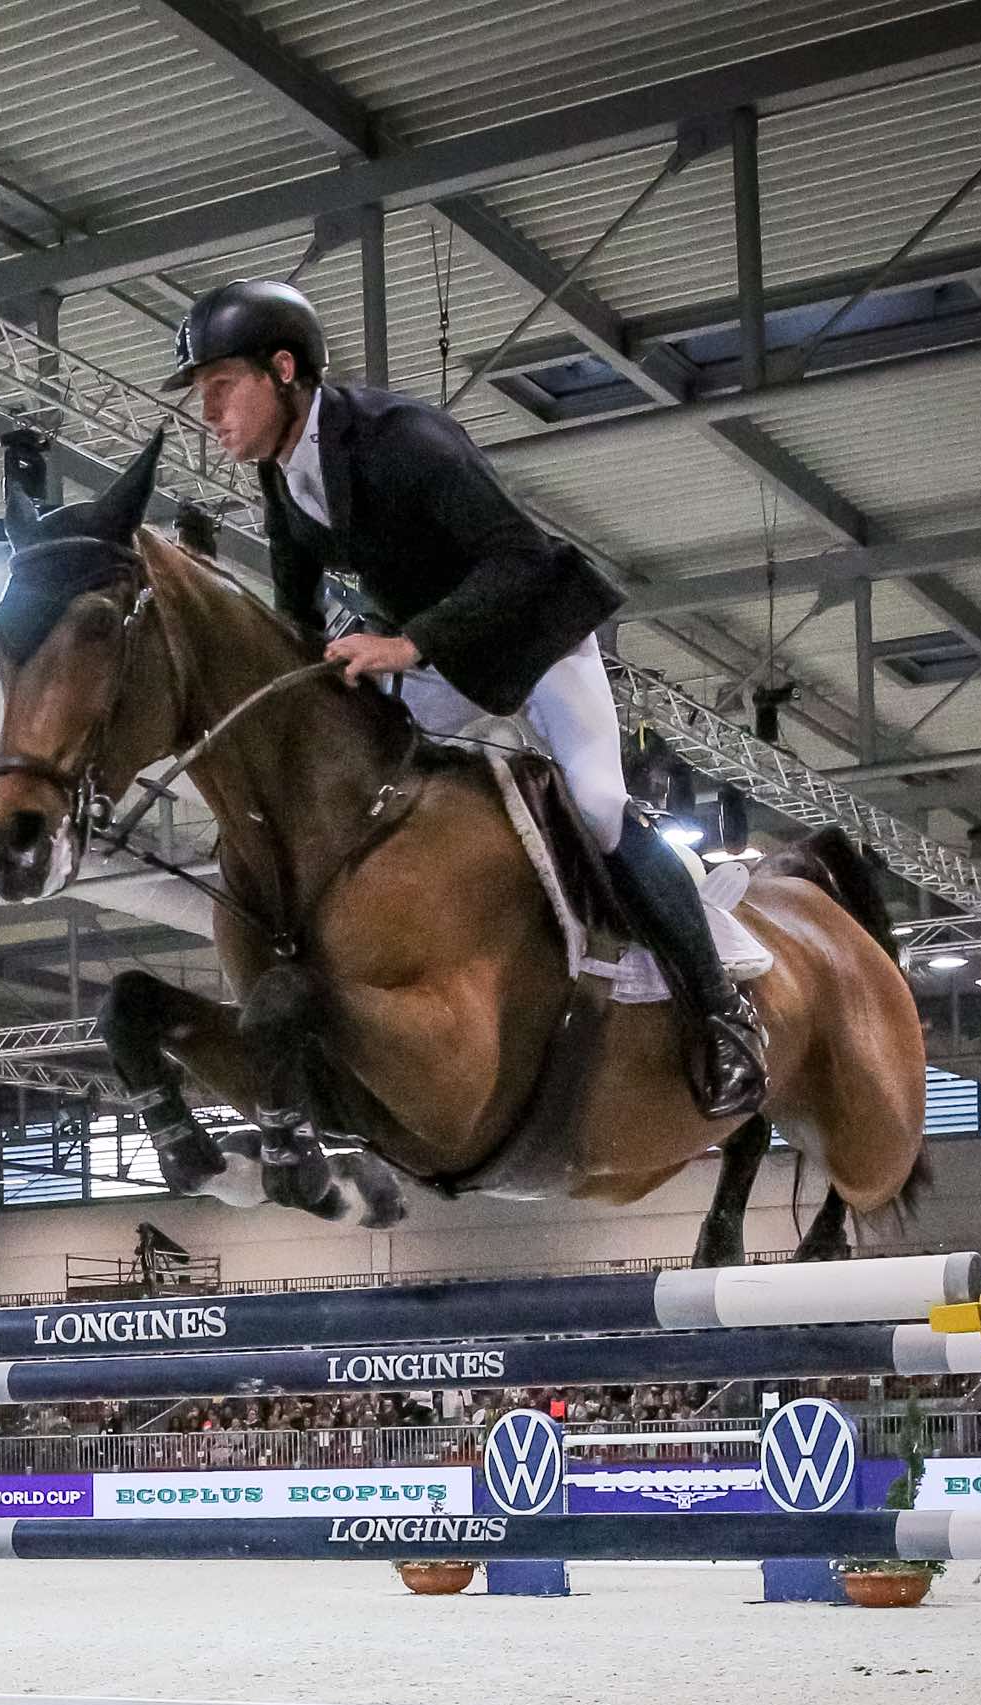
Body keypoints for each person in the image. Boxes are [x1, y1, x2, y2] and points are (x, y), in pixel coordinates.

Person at [160, 279, 766, 1122]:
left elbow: (518, 559)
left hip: (533, 640)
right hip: (435, 664)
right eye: (202, 396)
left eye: (220, 388)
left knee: (594, 807)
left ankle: (719, 1015)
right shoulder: (282, 477)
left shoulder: (403, 439)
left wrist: (405, 645)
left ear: (284, 370)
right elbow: (294, 616)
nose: (209, 413)